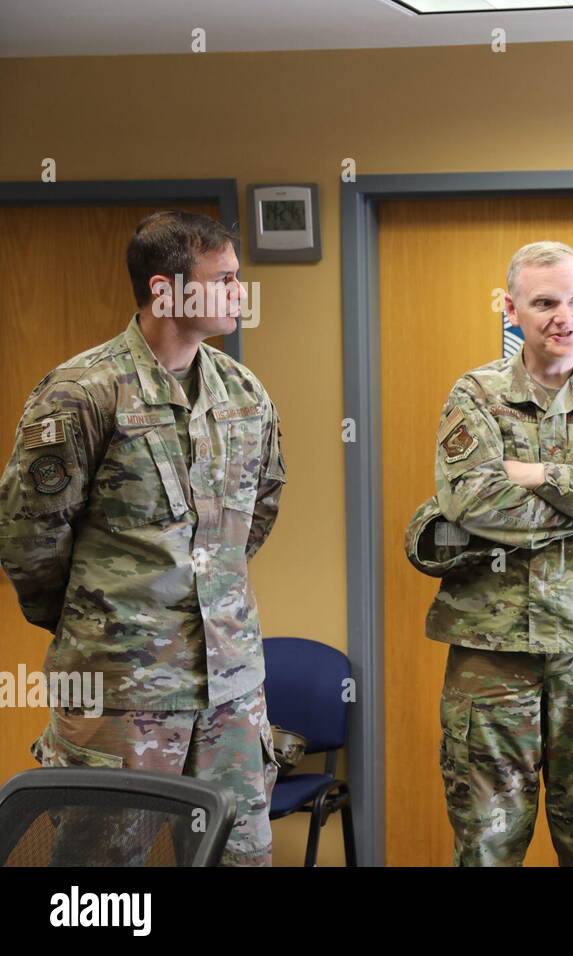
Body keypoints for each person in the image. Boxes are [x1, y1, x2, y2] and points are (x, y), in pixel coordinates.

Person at [0, 210, 286, 866]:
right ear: (166, 292)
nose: (242, 293)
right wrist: (95, 623)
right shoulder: (82, 395)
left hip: (231, 692)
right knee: (101, 878)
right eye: (225, 279)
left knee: (240, 858)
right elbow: (26, 536)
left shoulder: (245, 395)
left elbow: (257, 514)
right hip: (120, 692)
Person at [406, 240, 573, 866]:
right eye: (545, 302)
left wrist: (539, 476)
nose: (565, 316)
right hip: (492, 656)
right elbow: (472, 501)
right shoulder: (476, 395)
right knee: (487, 845)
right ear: (511, 309)